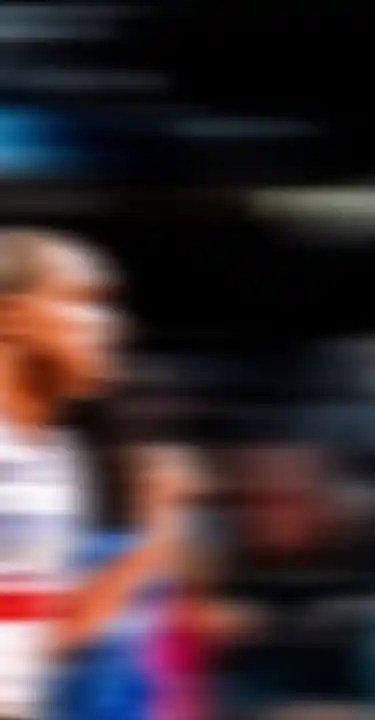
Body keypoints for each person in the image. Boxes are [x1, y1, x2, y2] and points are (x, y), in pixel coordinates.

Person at [0, 228, 191, 719]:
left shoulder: (57, 459)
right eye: (81, 302)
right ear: (12, 317)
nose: (110, 326)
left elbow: (51, 634)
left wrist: (157, 528)